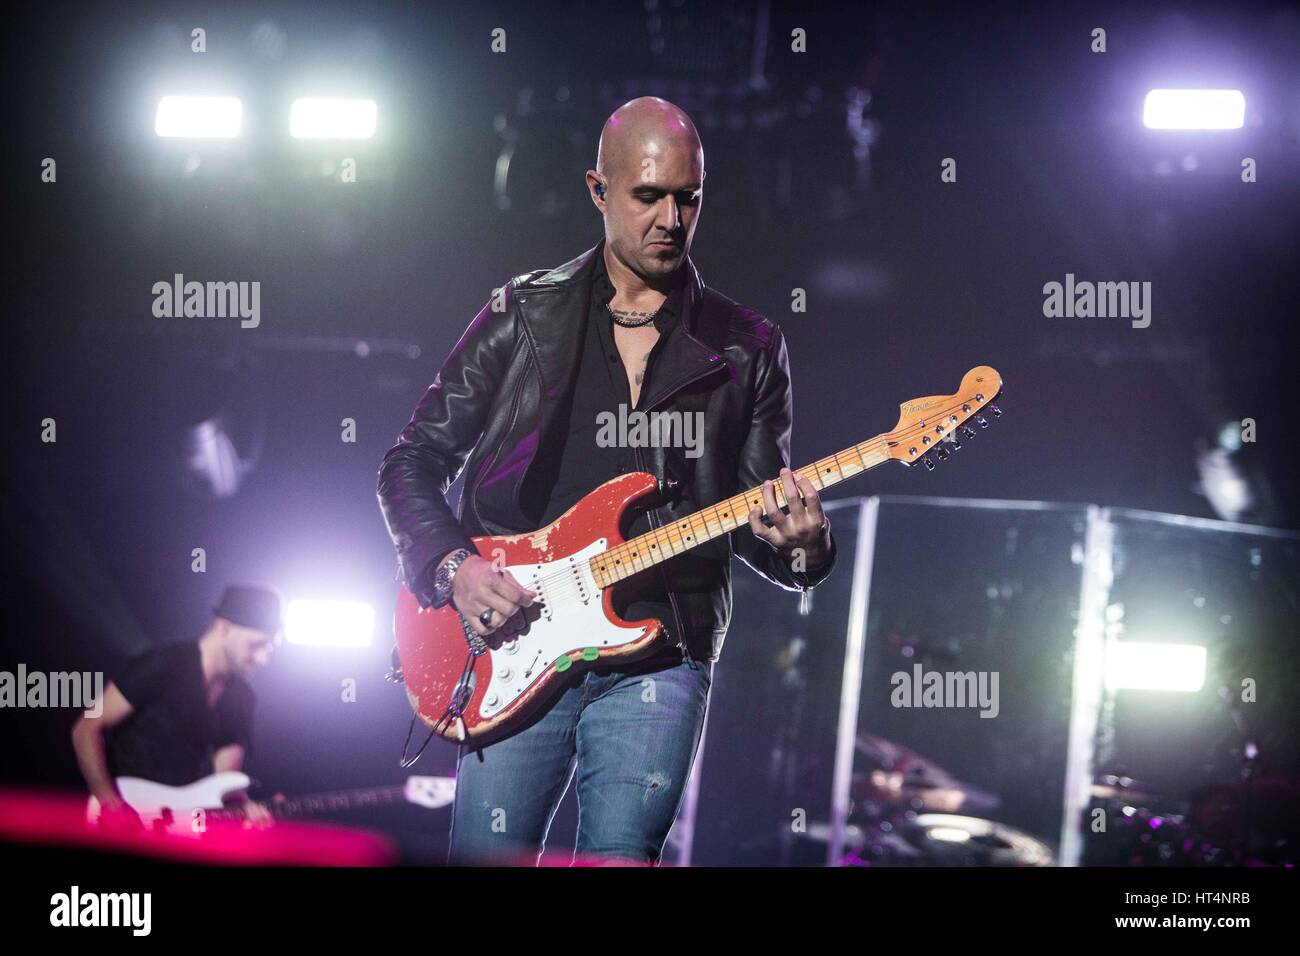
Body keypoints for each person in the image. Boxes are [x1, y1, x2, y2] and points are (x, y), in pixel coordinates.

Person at [377, 96, 837, 865]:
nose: (670, 219)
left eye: (688, 198)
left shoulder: (749, 346)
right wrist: (455, 569)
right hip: (517, 635)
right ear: (599, 190)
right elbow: (410, 461)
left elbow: (759, 520)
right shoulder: (522, 314)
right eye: (647, 195)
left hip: (661, 649)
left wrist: (805, 546)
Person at [71, 584, 282, 829]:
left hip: (180, 831)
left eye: (269, 648)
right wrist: (110, 804)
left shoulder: (242, 698)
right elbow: (86, 728)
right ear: (224, 628)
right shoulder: (163, 664)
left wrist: (246, 808)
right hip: (123, 820)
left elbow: (227, 784)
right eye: (256, 645)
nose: (263, 659)